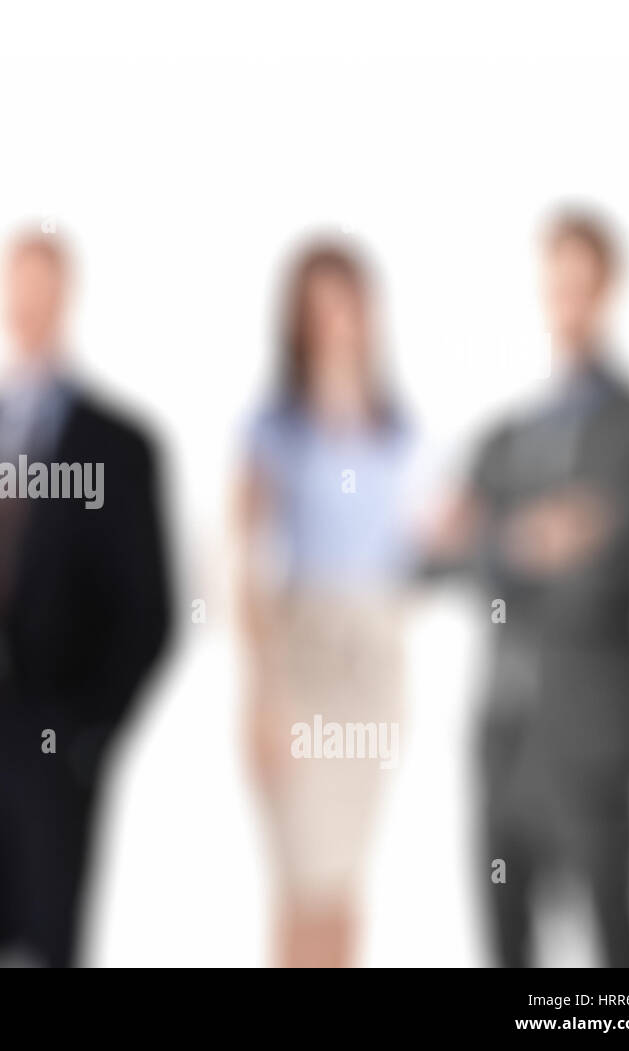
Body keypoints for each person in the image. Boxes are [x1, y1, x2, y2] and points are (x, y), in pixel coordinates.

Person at [422, 208, 629, 967]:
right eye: (555, 286)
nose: (567, 304)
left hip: (594, 730)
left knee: (614, 958)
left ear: (607, 290)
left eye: (582, 286)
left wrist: (488, 537)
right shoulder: (505, 438)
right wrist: (536, 534)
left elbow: (599, 576)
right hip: (503, 735)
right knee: (508, 949)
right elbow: (430, 561)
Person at [0, 227, 170, 967]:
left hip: (51, 742)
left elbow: (148, 611)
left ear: (65, 296)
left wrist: (85, 735)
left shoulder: (116, 444)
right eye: (16, 287)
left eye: (42, 287)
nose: (28, 305)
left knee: (48, 940)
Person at [230, 239, 417, 967]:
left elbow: (407, 548)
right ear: (300, 322)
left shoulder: (393, 426)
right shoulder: (275, 427)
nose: (336, 324)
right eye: (320, 311)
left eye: (347, 307)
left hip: (375, 662)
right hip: (303, 656)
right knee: (302, 880)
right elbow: (244, 562)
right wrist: (263, 693)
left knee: (344, 884)